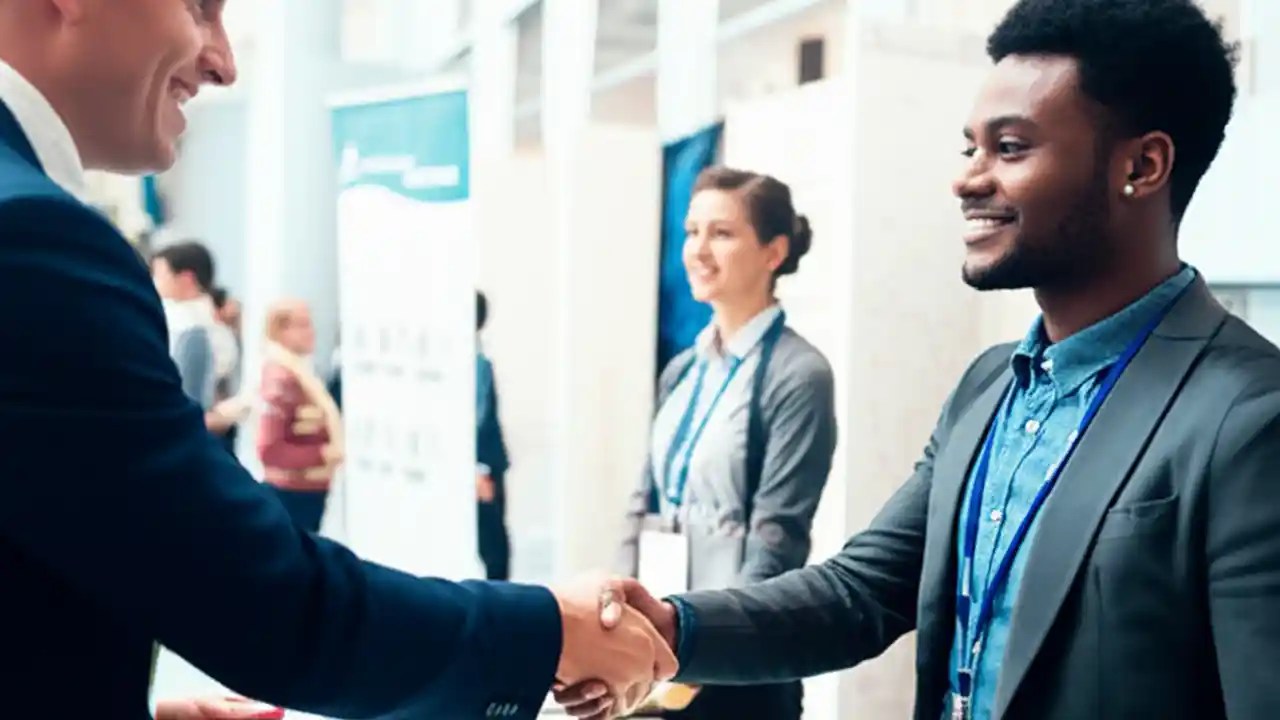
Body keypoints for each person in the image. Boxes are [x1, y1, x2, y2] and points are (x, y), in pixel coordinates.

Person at [556, 1, 1280, 719]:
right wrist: (672, 624)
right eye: (972, 149)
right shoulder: (990, 386)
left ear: (1143, 166)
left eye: (1012, 148)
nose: (969, 179)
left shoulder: (1248, 416)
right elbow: (859, 595)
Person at [0, 1, 675, 718]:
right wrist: (550, 632)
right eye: (199, 8)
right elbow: (260, 599)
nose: (224, 63)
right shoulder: (31, 237)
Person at [615, 167, 835, 719]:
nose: (698, 250)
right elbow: (643, 505)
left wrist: (711, 649)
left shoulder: (798, 374)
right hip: (664, 647)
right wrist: (618, 615)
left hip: (739, 658)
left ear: (773, 252)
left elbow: (778, 537)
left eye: (722, 233)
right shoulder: (684, 370)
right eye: (691, 232)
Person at [257, 299, 339, 533]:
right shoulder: (281, 379)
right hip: (291, 491)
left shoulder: (300, 372)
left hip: (306, 491)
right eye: (302, 325)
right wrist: (323, 454)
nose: (311, 332)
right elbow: (270, 449)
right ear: (279, 331)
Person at [475, 291, 513, 580]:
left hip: (483, 470)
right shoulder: (475, 363)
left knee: (493, 547)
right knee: (493, 547)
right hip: (481, 470)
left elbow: (478, 420)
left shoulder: (476, 364)